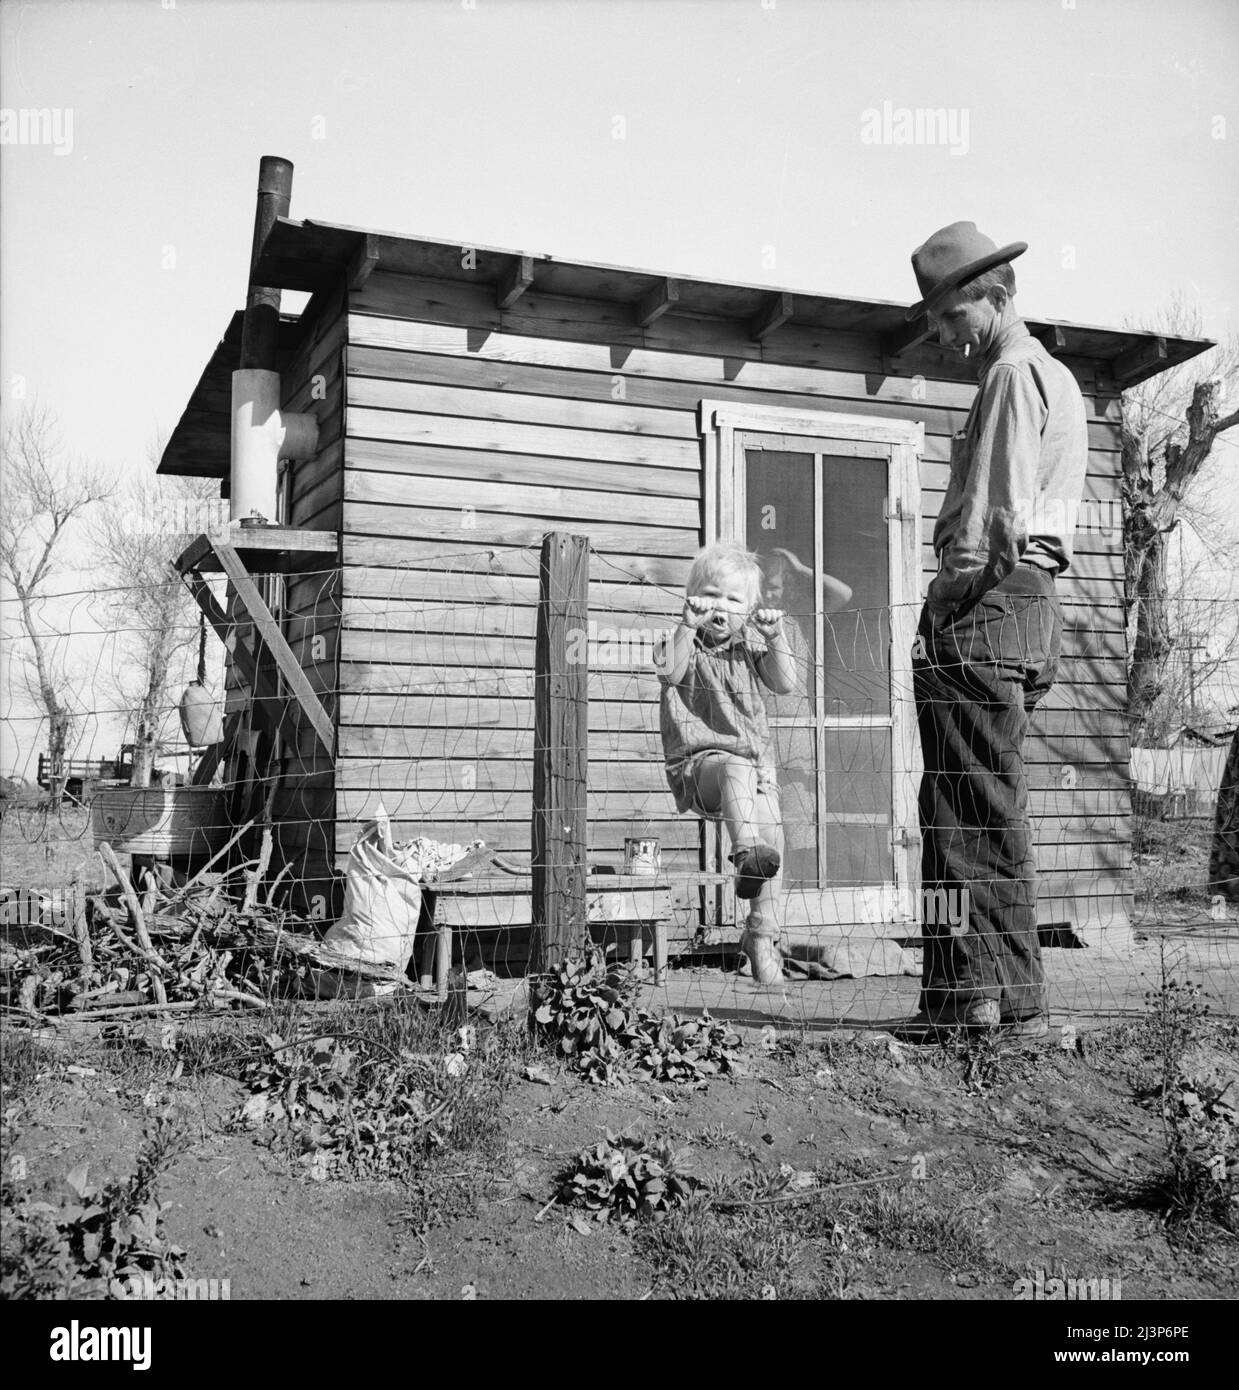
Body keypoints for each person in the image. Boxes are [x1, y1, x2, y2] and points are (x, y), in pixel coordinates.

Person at [901, 222, 1088, 1041]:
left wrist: (950, 592)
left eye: (949, 318)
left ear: (997, 297)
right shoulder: (1058, 376)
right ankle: (1001, 997)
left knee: (957, 810)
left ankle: (966, 1000)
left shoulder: (1010, 375)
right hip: (1032, 609)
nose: (942, 337)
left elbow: (994, 512)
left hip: (985, 604)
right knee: (984, 804)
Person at [658, 541, 794, 984]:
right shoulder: (683, 641)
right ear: (694, 596)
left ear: (750, 608)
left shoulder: (750, 645)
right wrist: (685, 625)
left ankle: (761, 935)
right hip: (702, 768)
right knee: (735, 768)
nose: (721, 607)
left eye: (733, 600)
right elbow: (669, 672)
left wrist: (776, 637)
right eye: (711, 594)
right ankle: (744, 856)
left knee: (773, 833)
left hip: (755, 768)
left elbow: (785, 683)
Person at [759, 550, 852, 868]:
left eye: (773, 586)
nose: (766, 594)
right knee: (761, 830)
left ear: (786, 587)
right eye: (761, 587)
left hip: (798, 737)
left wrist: (802, 568)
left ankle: (798, 899)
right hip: (759, 737)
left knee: (798, 829)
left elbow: (843, 594)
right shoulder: (745, 625)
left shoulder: (800, 622)